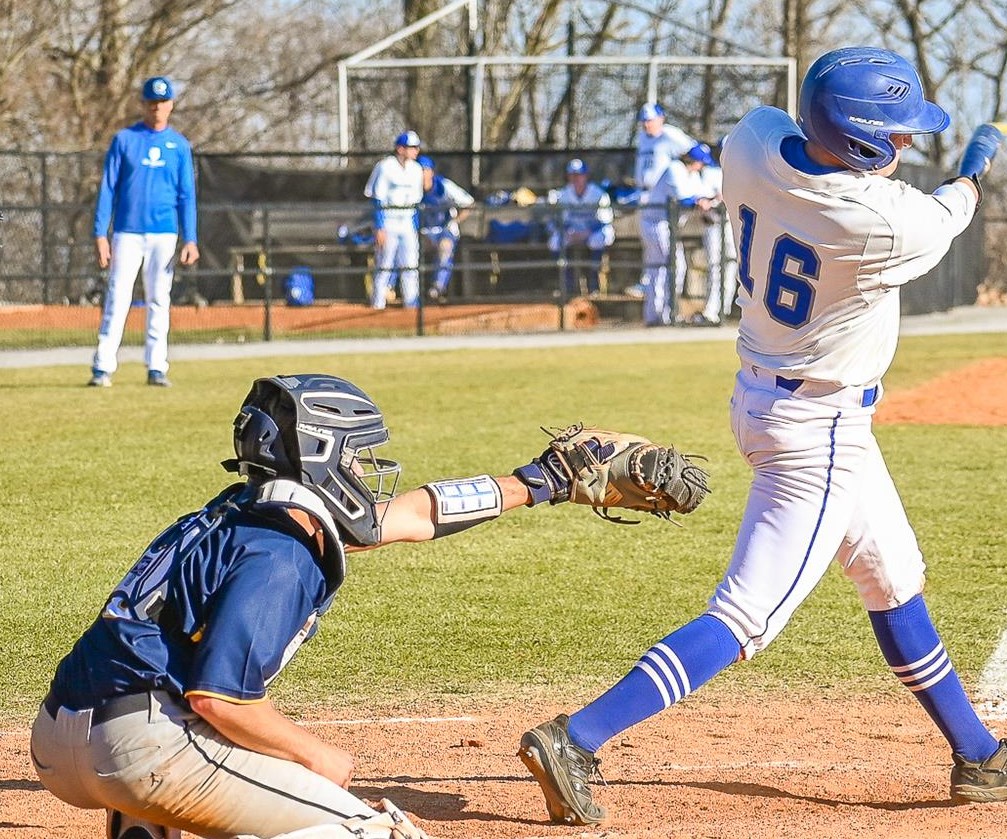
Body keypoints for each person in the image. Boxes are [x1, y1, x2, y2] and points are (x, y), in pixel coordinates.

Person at [516, 46, 1007, 827]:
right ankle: (577, 737)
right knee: (746, 618)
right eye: (896, 131)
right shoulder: (879, 221)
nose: (908, 142)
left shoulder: (752, 140)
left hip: (768, 397)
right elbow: (951, 210)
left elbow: (802, 142)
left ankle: (979, 755)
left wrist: (943, 164)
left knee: (892, 575)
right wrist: (974, 171)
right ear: (858, 140)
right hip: (817, 432)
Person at [30, 372, 683, 839]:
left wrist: (538, 483)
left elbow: (413, 515)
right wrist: (316, 754)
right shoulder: (279, 553)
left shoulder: (240, 514)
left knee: (261, 797)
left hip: (62, 740)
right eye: (356, 455)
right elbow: (219, 697)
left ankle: (149, 820)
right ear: (320, 457)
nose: (368, 471)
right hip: (143, 743)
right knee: (370, 830)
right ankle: (155, 802)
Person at [89, 76, 198, 389]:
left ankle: (156, 367)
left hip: (165, 234)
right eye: (152, 102)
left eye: (163, 102)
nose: (157, 108)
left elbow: (186, 195)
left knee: (159, 300)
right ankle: (103, 366)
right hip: (127, 232)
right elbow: (108, 188)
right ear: (143, 104)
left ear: (171, 104)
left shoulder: (178, 145)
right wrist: (101, 233)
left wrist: (190, 237)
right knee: (118, 297)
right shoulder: (125, 140)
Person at [633, 103, 697, 321]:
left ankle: (662, 314)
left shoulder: (669, 135)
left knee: (666, 264)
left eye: (650, 120)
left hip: (662, 207)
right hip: (648, 206)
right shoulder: (642, 138)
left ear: (661, 119)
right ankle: (659, 315)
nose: (646, 125)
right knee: (658, 265)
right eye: (644, 121)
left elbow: (694, 150)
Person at [638, 144, 714, 326]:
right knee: (671, 266)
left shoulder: (692, 175)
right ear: (693, 160)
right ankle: (664, 315)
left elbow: (704, 195)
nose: (701, 166)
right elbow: (683, 199)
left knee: (661, 269)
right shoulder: (675, 168)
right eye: (700, 163)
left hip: (666, 225)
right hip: (656, 222)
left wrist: (708, 200)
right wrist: (700, 201)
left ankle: (658, 315)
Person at [364, 130, 425, 308]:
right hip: (388, 222)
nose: (415, 151)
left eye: (416, 147)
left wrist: (415, 228)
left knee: (411, 265)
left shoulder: (416, 169)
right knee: (385, 264)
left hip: (407, 223)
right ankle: (377, 304)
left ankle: (411, 305)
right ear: (400, 149)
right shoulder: (385, 166)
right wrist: (379, 227)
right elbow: (377, 199)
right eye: (411, 147)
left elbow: (416, 202)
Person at [547, 158, 615, 297]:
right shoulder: (564, 194)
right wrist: (568, 232)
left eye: (579, 175)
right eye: (573, 175)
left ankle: (593, 285)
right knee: (554, 242)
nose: (576, 178)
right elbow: (560, 220)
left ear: (586, 176)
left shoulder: (598, 193)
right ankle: (567, 285)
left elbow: (605, 220)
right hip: (572, 231)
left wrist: (587, 232)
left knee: (598, 239)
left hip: (593, 231)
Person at [416, 155, 475, 302]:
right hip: (422, 233)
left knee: (445, 247)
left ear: (431, 172)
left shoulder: (443, 186)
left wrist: (456, 220)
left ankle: (437, 288)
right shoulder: (410, 188)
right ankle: (406, 291)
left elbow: (468, 203)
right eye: (419, 170)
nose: (422, 174)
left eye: (425, 170)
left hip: (443, 230)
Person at [691, 146, 735, 326]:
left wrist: (716, 199)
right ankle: (713, 312)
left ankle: (720, 311)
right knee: (717, 267)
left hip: (730, 225)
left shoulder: (736, 171)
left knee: (729, 268)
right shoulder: (710, 172)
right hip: (714, 224)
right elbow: (702, 199)